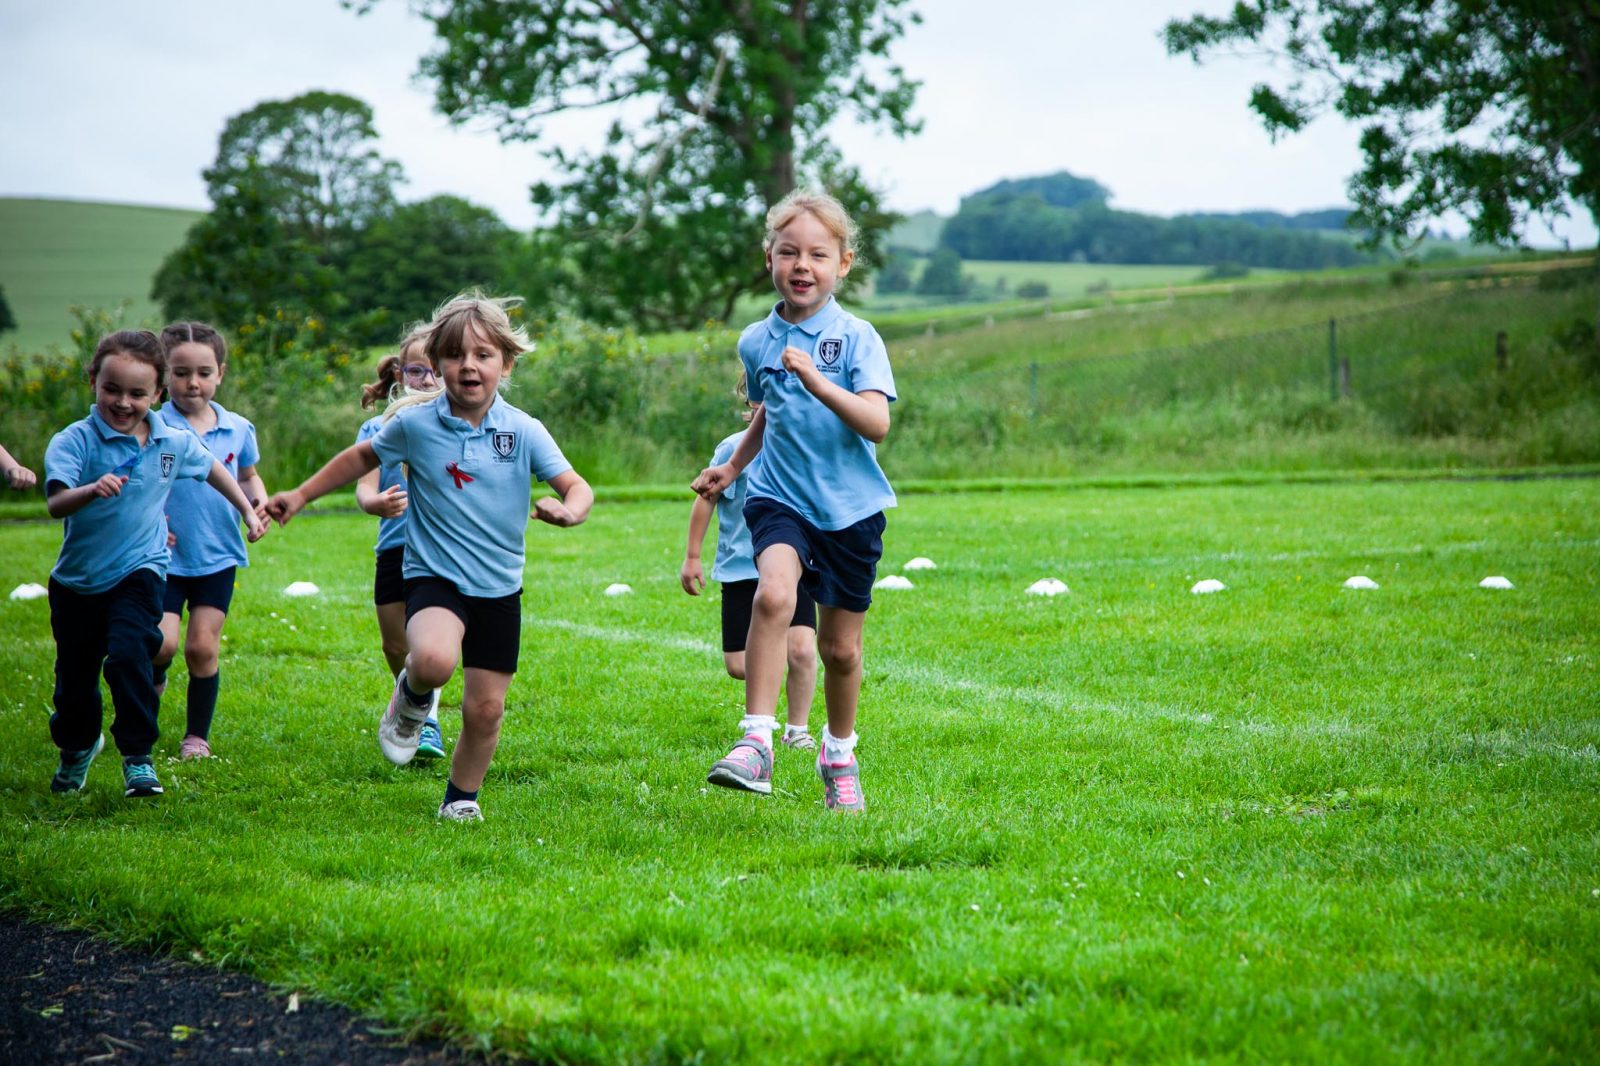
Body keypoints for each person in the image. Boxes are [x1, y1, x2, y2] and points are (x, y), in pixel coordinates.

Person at [266, 293, 593, 822]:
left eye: (484, 355)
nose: (469, 366)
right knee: (435, 661)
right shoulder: (415, 425)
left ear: (507, 364)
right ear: (437, 365)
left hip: (499, 587)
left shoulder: (524, 430)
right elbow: (359, 458)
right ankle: (413, 695)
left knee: (486, 710)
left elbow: (576, 485)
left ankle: (461, 799)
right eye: (455, 355)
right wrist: (300, 495)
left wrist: (571, 510)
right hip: (434, 576)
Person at [692, 188, 896, 812]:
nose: (801, 265)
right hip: (778, 497)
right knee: (774, 595)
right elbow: (767, 412)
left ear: (844, 263)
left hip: (850, 510)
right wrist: (733, 467)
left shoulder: (857, 337)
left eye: (817, 254)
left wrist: (816, 379)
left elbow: (876, 424)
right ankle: (756, 740)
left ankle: (838, 754)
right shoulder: (756, 340)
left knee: (840, 651)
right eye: (788, 253)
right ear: (770, 259)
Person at [43, 330, 266, 798]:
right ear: (93, 381)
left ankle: (138, 758)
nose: (123, 403)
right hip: (78, 582)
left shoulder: (170, 439)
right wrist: (91, 490)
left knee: (131, 656)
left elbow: (213, 467)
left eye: (137, 393)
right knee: (76, 684)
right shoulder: (75, 440)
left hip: (140, 571)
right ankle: (78, 748)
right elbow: (57, 502)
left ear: (157, 394)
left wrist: (248, 510)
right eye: (112, 389)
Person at [680, 372, 817, 751]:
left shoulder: (800, 449)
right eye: (761, 398)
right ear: (751, 403)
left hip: (794, 565)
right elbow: (705, 499)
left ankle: (797, 731)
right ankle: (772, 659)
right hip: (741, 569)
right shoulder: (731, 450)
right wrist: (692, 556)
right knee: (739, 665)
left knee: (802, 650)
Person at [150, 322, 268, 761]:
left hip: (217, 555)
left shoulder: (238, 428)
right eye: (180, 373)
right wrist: (151, 520)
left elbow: (248, 476)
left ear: (221, 372)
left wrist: (257, 504)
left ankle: (196, 737)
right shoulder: (153, 426)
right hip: (162, 557)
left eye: (203, 372)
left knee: (202, 647)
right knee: (161, 644)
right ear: (163, 374)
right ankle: (154, 677)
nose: (192, 383)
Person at [354, 328, 447, 759]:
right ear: (399, 374)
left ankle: (427, 720)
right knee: (395, 645)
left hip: (441, 552)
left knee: (430, 644)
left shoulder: (455, 426)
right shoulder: (377, 427)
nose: (427, 381)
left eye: (435, 371)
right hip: (395, 548)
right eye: (416, 371)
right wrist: (374, 503)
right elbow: (364, 487)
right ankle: (407, 699)